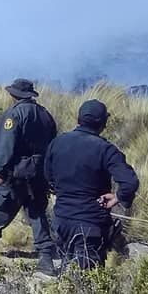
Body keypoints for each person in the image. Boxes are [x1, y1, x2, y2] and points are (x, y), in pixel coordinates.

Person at [45, 99, 139, 270]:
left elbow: (48, 176)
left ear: (78, 119)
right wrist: (117, 198)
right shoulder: (105, 149)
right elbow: (129, 183)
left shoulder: (57, 143)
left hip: (61, 221)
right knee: (87, 281)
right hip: (89, 225)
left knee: (67, 274)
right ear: (103, 124)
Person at [0, 78, 58, 276]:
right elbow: (53, 146)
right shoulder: (45, 115)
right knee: (37, 213)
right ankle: (45, 257)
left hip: (15, 173)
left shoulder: (13, 115)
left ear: (14, 95)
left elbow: (5, 146)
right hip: (39, 174)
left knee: (1, 207)